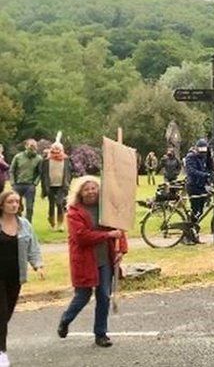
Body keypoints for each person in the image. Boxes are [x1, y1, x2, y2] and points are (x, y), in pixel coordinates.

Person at [57, 176, 128, 348]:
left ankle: (100, 334)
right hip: (84, 260)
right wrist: (108, 235)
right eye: (86, 189)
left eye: (94, 188)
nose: (91, 192)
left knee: (104, 296)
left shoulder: (107, 209)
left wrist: (121, 250)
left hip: (105, 258)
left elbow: (119, 229)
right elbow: (81, 237)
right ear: (80, 192)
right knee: (83, 296)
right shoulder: (74, 212)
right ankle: (66, 320)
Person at [1, 190, 45, 366]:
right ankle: (2, 352)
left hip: (15, 276)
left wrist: (38, 265)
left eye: (17, 202)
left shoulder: (24, 224)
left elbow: (33, 247)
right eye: (10, 202)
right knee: (1, 314)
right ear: (2, 204)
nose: (14, 205)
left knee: (7, 315)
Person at [183, 139, 211, 243]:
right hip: (193, 185)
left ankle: (194, 233)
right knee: (195, 211)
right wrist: (205, 175)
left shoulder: (204, 156)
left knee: (200, 211)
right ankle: (188, 234)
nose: (203, 152)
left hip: (201, 185)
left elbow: (208, 167)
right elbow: (191, 171)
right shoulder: (191, 156)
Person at [40, 141, 72, 232]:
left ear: (62, 149)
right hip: (50, 186)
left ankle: (60, 224)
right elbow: (43, 175)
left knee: (59, 203)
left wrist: (68, 182)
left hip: (61, 186)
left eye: (58, 148)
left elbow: (70, 172)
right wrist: (43, 188)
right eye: (54, 148)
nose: (56, 150)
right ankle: (52, 223)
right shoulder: (46, 160)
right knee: (51, 205)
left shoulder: (66, 159)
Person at [10, 140, 42, 223]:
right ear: (26, 146)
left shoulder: (38, 158)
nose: (32, 148)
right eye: (30, 146)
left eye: (34, 146)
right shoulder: (18, 157)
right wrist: (13, 182)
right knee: (17, 206)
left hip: (30, 186)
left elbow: (40, 173)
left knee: (29, 207)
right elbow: (12, 170)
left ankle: (28, 225)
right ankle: (17, 223)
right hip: (17, 185)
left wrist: (35, 183)